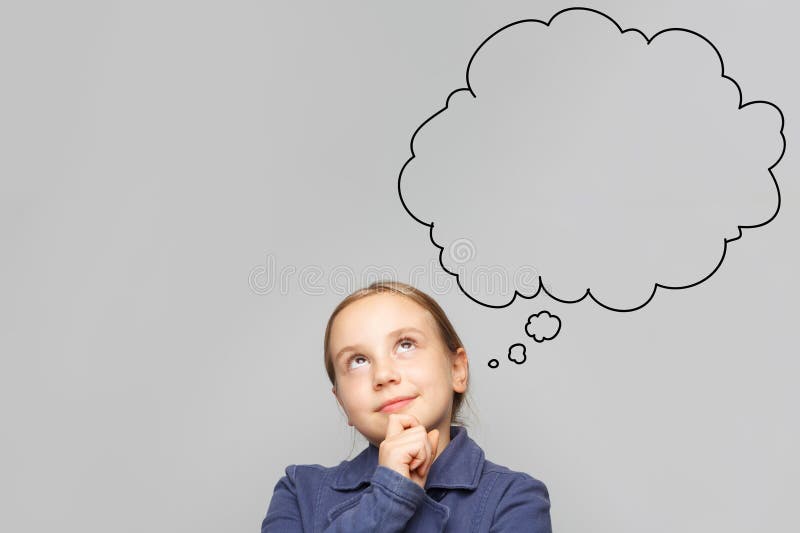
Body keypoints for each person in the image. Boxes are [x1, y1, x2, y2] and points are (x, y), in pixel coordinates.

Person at [261, 281, 552, 532]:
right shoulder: (299, 492)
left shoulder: (515, 498)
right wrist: (388, 497)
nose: (384, 375)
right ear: (342, 403)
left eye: (405, 345)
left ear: (457, 370)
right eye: (358, 360)